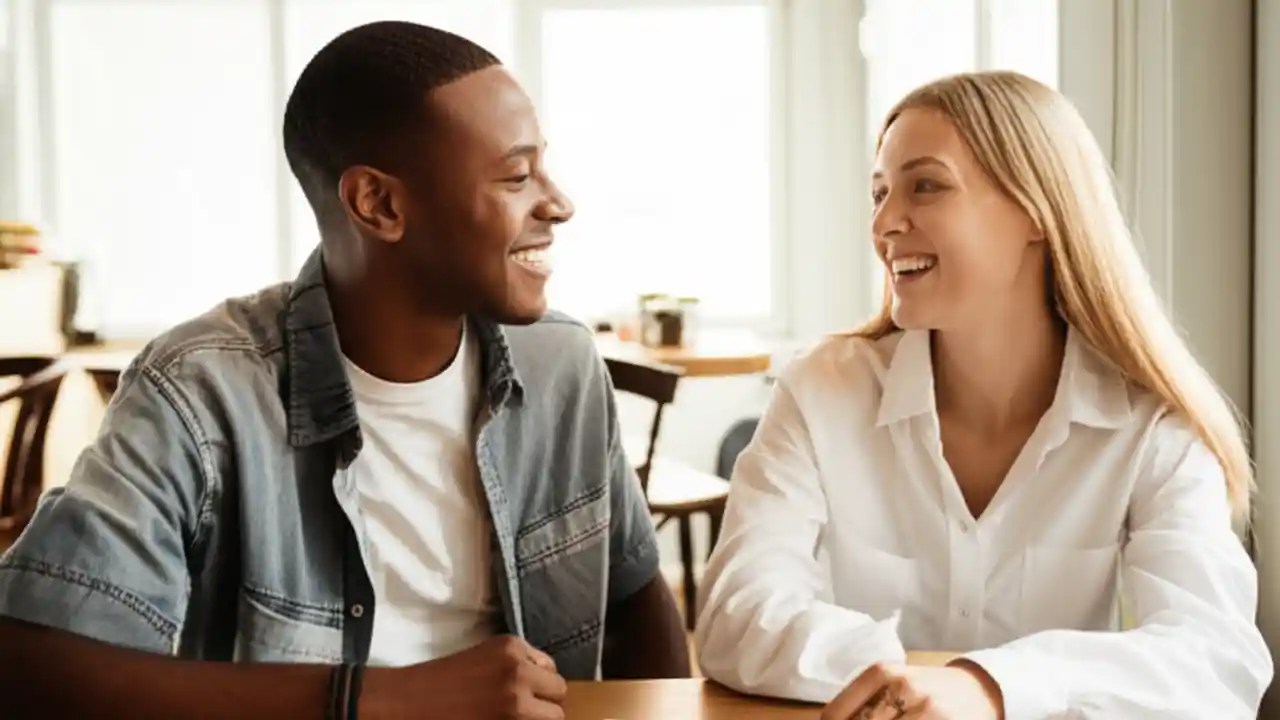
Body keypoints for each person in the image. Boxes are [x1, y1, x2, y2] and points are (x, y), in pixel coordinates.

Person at [0, 21, 688, 719]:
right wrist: (373, 700)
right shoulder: (202, 391)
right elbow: (30, 665)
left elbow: (633, 599)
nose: (558, 204)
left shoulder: (561, 364)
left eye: (542, 166)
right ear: (379, 204)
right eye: (516, 176)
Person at [695, 71, 1272, 719]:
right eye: (879, 193)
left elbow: (1215, 659)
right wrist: (908, 684)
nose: (884, 222)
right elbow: (735, 618)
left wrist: (988, 687)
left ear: (1035, 209)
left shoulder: (1153, 425)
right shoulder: (821, 390)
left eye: (926, 185)